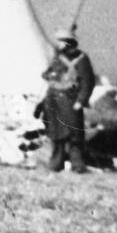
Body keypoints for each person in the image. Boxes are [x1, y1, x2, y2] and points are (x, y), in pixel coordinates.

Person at [35, 27, 96, 174]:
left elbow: (88, 81)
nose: (59, 44)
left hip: (70, 100)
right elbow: (49, 74)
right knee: (57, 135)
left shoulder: (81, 59)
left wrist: (81, 100)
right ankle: (56, 164)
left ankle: (78, 165)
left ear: (69, 42)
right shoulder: (57, 58)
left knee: (74, 137)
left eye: (62, 41)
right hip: (54, 100)